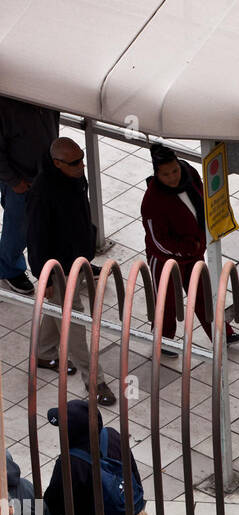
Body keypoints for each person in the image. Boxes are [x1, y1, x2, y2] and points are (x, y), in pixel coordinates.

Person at [25, 137, 116, 404]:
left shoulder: (75, 177)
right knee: (75, 323)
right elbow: (36, 237)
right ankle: (94, 380)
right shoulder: (42, 193)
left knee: (58, 311)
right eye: (75, 162)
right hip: (58, 269)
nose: (82, 165)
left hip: (76, 261)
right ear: (57, 163)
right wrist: (46, 275)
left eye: (82, 158)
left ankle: (42, 352)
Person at [141, 143, 239, 349]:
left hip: (194, 252)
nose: (173, 177)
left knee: (204, 294)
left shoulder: (189, 173)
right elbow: (158, 240)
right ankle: (163, 342)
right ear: (157, 174)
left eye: (175, 170)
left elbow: (205, 200)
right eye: (166, 174)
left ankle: (222, 333)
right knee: (166, 302)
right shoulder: (152, 200)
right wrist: (186, 248)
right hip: (165, 260)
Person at [0, 96, 59, 295]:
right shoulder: (7, 108)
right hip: (22, 180)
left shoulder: (45, 98)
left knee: (58, 222)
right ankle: (9, 269)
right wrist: (14, 182)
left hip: (50, 173)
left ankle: (65, 264)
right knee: (18, 227)